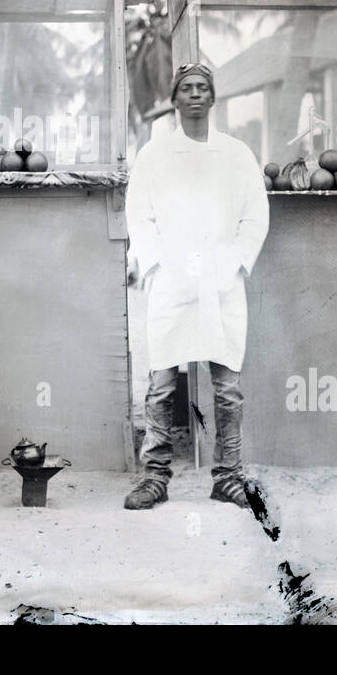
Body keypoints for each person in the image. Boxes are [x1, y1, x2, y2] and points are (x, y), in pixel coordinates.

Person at [124, 62, 270, 510]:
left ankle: (228, 475)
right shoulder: (155, 154)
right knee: (162, 382)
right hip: (171, 280)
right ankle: (155, 477)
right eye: (185, 88)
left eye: (202, 87)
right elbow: (140, 214)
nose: (194, 94)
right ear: (174, 99)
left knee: (226, 386)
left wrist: (236, 263)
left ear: (212, 98)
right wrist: (155, 267)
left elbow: (255, 213)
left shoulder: (236, 154)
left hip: (221, 281)